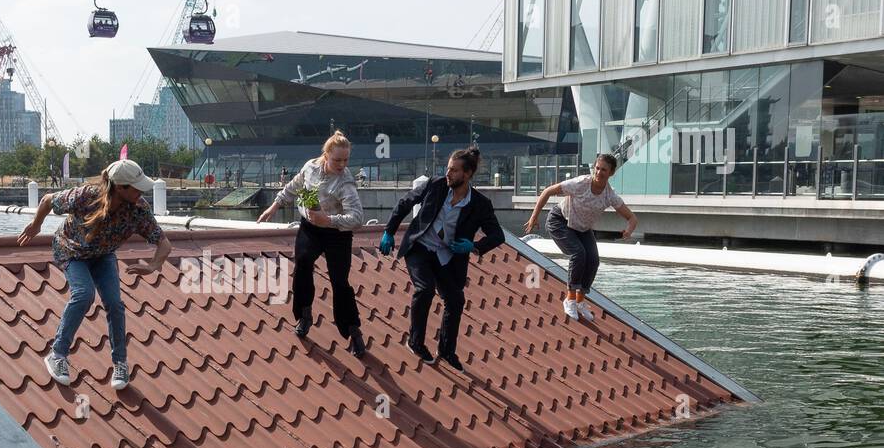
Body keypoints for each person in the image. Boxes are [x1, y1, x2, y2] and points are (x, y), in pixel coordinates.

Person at [17, 159, 172, 391]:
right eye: (137, 186)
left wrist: (153, 265)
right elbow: (48, 200)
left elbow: (164, 243)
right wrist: (36, 225)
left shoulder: (138, 209)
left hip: (103, 255)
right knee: (84, 294)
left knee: (115, 304)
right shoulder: (86, 196)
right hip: (71, 251)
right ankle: (57, 354)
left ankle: (120, 363)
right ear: (121, 187)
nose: (142, 191)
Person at [380, 147, 504, 370]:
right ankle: (415, 342)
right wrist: (390, 231)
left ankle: (447, 351)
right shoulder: (435, 185)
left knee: (456, 300)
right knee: (425, 289)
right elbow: (405, 203)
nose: (448, 174)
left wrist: (474, 246)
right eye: (447, 169)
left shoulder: (480, 204)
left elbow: (497, 235)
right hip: (420, 248)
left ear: (467, 174)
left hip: (446, 256)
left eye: (454, 171)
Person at [257, 130, 367, 358]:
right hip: (311, 227)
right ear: (326, 155)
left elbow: (357, 218)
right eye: (337, 160)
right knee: (303, 264)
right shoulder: (310, 167)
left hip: (337, 233)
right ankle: (304, 314)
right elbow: (296, 186)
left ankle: (353, 331)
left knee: (339, 281)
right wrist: (275, 206)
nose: (342, 164)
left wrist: (329, 220)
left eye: (346, 160)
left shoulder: (346, 182)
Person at [523, 152, 637, 321]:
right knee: (579, 254)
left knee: (593, 260)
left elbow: (632, 218)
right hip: (560, 221)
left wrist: (629, 230)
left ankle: (580, 301)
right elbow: (548, 191)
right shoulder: (580, 184)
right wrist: (534, 217)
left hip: (582, 229)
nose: (599, 173)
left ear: (611, 173)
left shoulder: (609, 195)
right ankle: (569, 299)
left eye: (603, 170)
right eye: (597, 168)